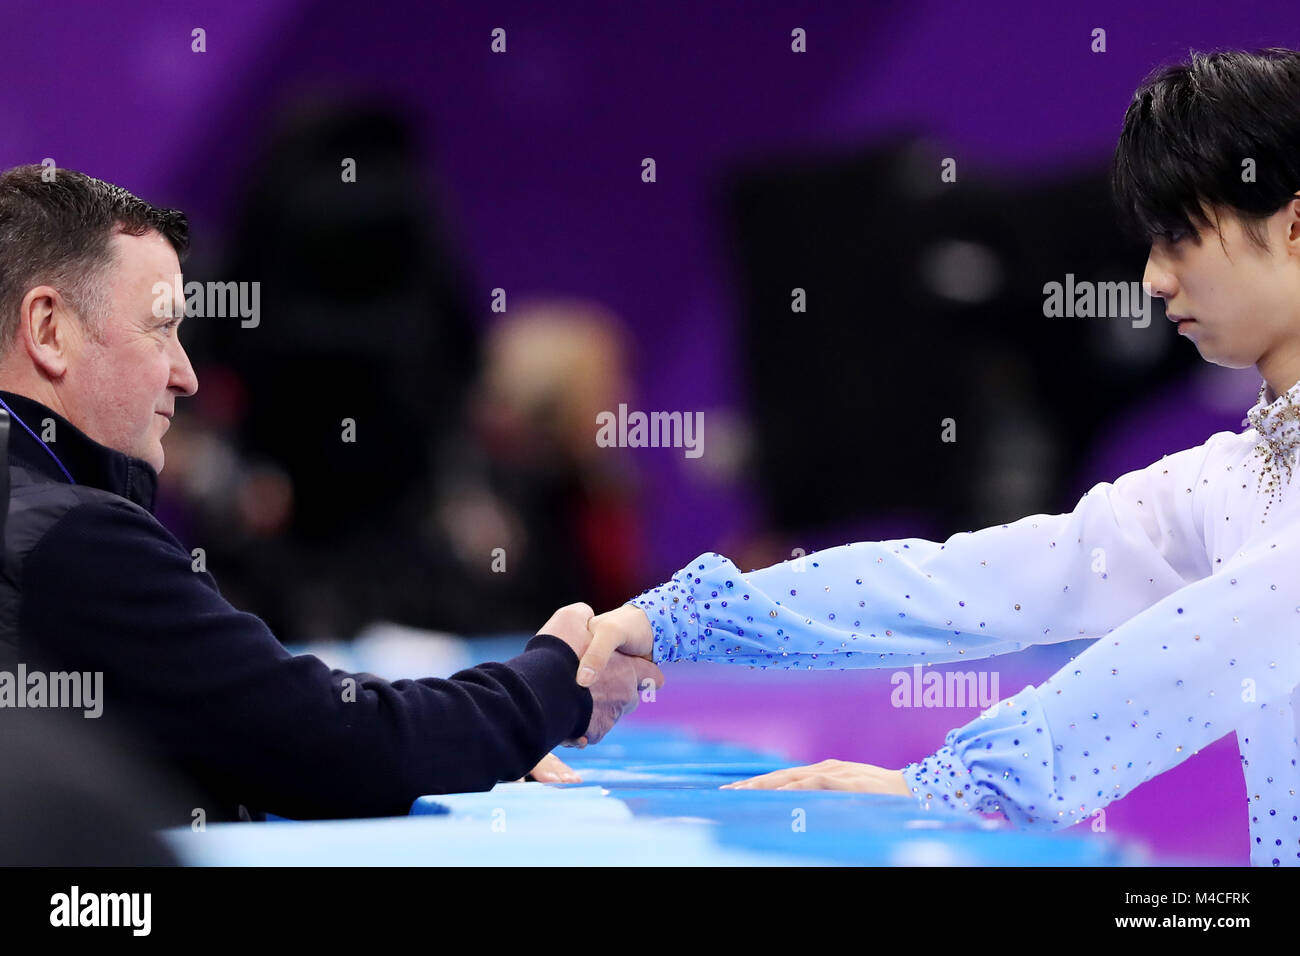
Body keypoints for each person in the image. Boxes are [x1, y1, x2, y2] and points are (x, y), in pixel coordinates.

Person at [577, 47, 1300, 866]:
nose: (1152, 278)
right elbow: (977, 579)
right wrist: (673, 619)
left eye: (1179, 238)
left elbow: (1210, 643)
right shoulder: (1237, 476)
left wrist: (957, 784)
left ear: (1294, 225)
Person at [0, 163, 662, 825]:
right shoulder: (66, 534)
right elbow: (332, 747)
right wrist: (553, 685)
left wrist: (462, 738)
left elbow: (236, 718)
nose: (187, 375)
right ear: (50, 329)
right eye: (161, 327)